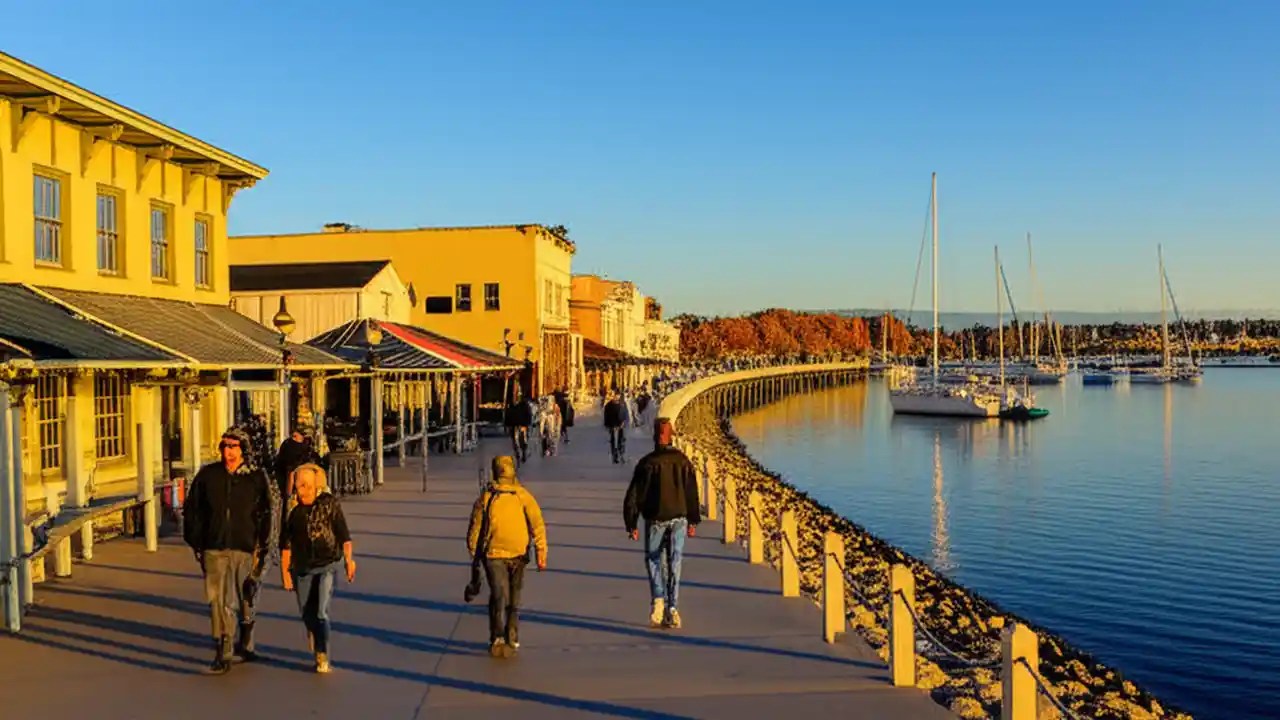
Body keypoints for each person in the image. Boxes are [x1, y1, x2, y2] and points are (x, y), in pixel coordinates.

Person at [183, 427, 273, 674]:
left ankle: (246, 638)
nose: (228, 452)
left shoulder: (255, 477)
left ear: (243, 450)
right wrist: (196, 541)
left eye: (233, 447)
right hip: (214, 547)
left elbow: (266, 512)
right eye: (225, 447)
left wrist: (262, 545)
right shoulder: (208, 476)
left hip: (246, 547)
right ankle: (223, 650)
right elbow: (192, 510)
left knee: (245, 598)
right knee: (219, 601)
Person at [466, 456, 548, 659]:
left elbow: (475, 528)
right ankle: (511, 635)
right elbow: (537, 524)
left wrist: (474, 552)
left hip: (494, 554)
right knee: (513, 598)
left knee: (499, 595)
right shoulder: (522, 495)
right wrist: (541, 552)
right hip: (517, 554)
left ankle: (498, 636)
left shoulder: (487, 497)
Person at [623, 418, 701, 629]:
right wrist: (693, 519)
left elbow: (634, 495)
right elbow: (691, 492)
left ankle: (658, 599)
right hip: (679, 517)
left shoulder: (647, 463)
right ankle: (673, 607)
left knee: (654, 559)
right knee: (675, 560)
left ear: (655, 436)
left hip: (655, 517)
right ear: (672, 436)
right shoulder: (683, 461)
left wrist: (631, 523)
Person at [280, 463, 356, 674]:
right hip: (302, 568)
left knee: (321, 611)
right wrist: (286, 574)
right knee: (307, 612)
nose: (300, 490)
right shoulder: (293, 512)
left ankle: (322, 653)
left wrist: (349, 561)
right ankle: (315, 633)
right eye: (298, 486)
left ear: (316, 486)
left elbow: (344, 534)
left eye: (305, 485)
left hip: (327, 563)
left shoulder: (329, 504)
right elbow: (285, 544)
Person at [275, 425, 319, 499]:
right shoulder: (303, 450)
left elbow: (290, 474)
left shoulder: (289, 446)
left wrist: (288, 496)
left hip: (295, 495)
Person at [504, 392, 533, 463]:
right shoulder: (511, 405)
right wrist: (507, 425)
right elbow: (507, 415)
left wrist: (527, 424)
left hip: (522, 425)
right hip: (514, 426)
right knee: (515, 441)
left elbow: (529, 415)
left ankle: (523, 453)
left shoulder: (524, 405)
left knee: (522, 440)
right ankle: (518, 454)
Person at [603, 391, 629, 464]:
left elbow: (626, 415)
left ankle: (621, 454)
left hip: (621, 425)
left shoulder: (623, 404)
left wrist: (624, 423)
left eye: (618, 395)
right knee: (613, 441)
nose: (616, 397)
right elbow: (606, 417)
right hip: (613, 426)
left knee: (622, 440)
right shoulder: (608, 406)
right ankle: (615, 455)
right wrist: (608, 426)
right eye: (615, 396)